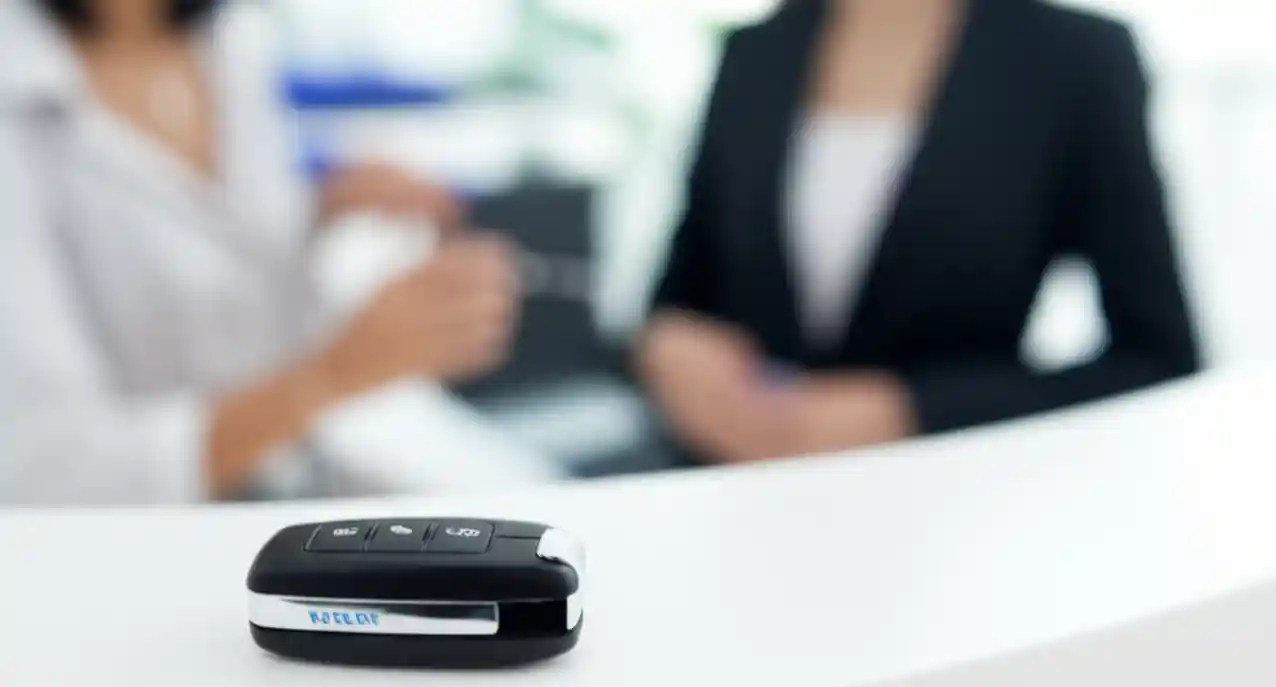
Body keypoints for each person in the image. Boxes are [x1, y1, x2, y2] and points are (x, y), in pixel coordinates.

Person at [0, 0, 520, 503]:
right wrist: (333, 375)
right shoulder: (19, 83)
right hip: (135, 531)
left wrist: (322, 207)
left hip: (293, 464)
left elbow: (213, 250)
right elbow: (45, 470)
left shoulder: (232, 37)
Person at [638, 0, 1200, 464]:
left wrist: (916, 411)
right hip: (740, 495)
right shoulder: (755, 55)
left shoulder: (1076, 59)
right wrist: (670, 350)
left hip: (951, 510)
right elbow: (678, 299)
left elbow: (1158, 359)